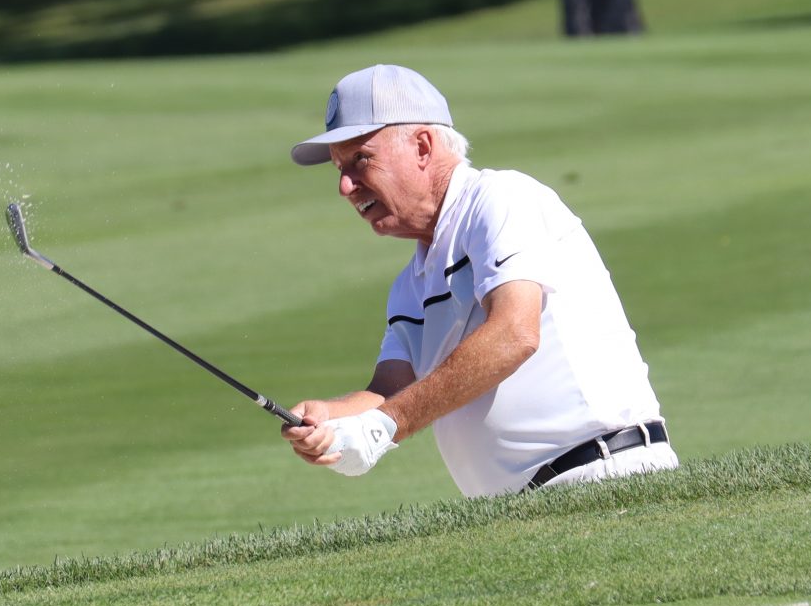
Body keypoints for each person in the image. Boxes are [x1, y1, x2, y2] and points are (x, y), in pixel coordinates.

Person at [283, 64, 677, 495]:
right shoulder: (409, 284)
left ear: (422, 146)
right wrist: (333, 418)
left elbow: (514, 333)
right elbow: (388, 392)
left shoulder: (501, 198)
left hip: (602, 474)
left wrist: (383, 427)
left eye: (361, 159)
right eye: (339, 168)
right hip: (526, 510)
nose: (345, 186)